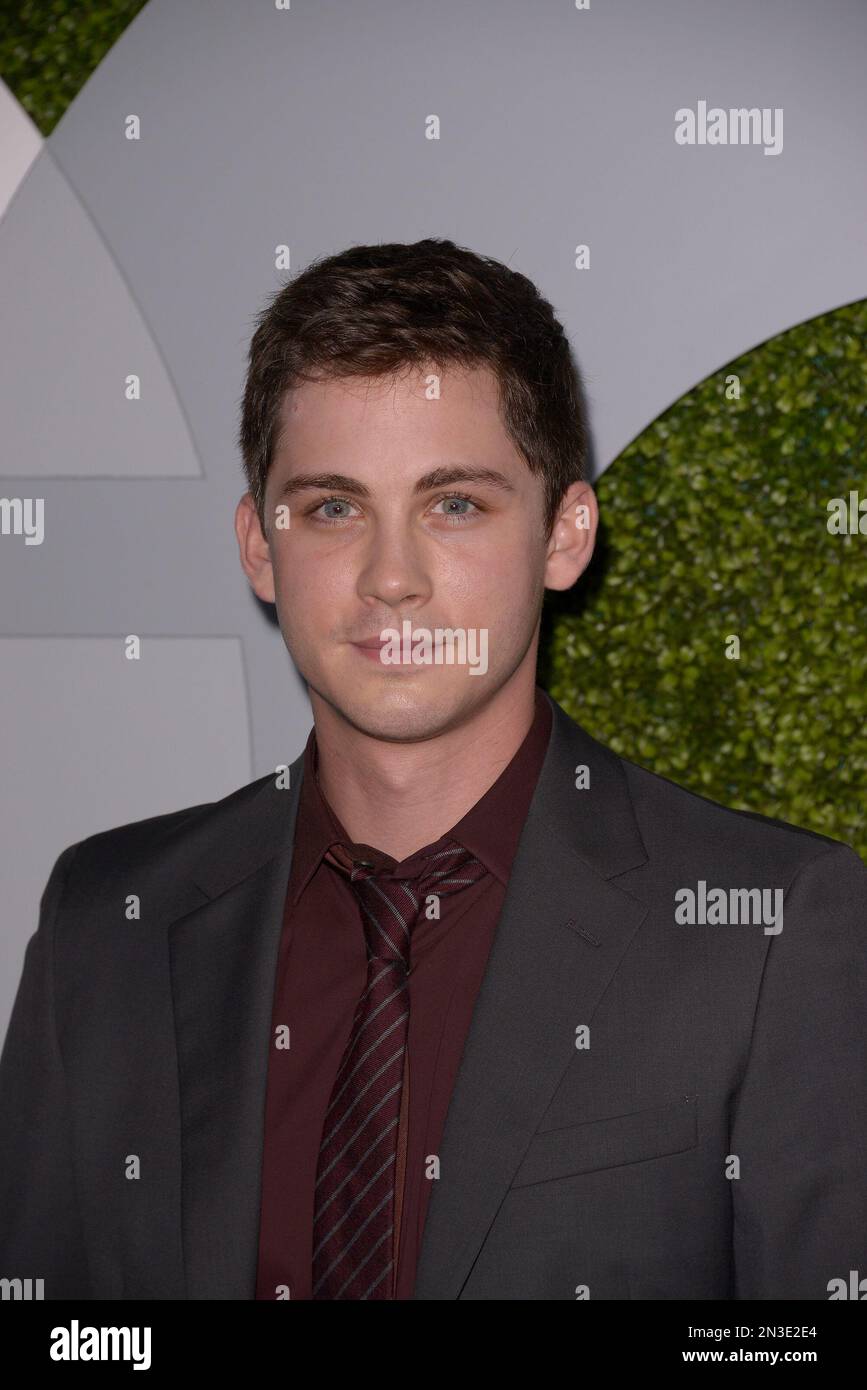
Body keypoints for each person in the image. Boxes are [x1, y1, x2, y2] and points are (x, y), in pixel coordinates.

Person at [1, 238, 865, 1300]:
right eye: (333, 507)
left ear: (565, 533)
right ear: (259, 548)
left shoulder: (772, 932)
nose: (391, 577)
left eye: (455, 503)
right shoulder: (108, 922)